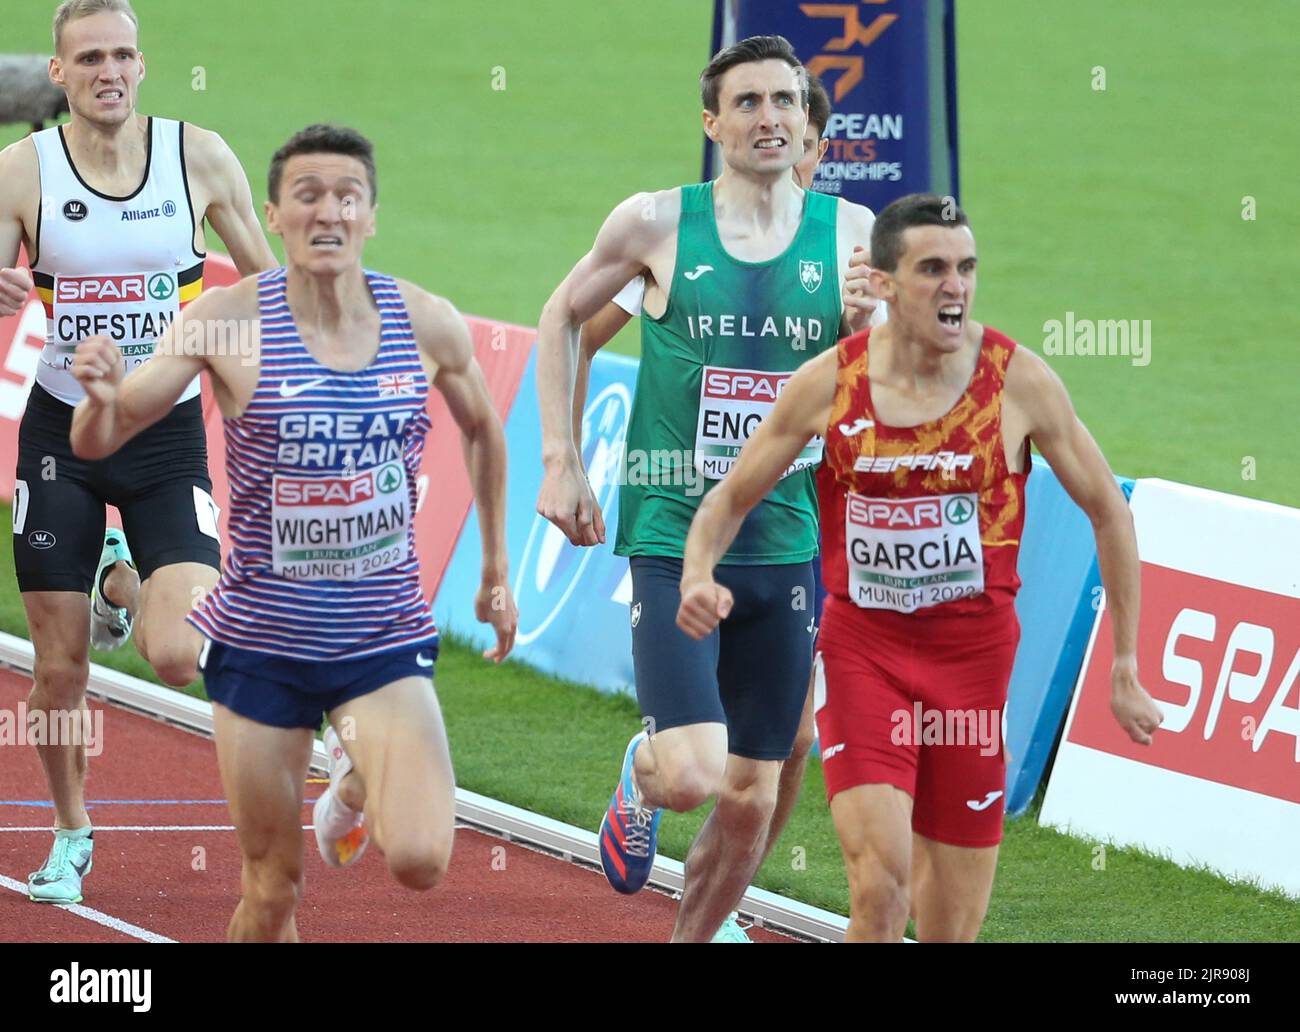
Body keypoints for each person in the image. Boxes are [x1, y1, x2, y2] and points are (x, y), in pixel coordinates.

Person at [69, 123, 518, 942]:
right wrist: (99, 399)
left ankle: (347, 790)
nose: (328, 213)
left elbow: (486, 430)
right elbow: (109, 433)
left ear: (371, 215)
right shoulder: (228, 321)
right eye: (307, 196)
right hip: (260, 647)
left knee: (420, 857)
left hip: (380, 639)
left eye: (347, 196)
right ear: (274, 214)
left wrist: (494, 566)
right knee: (272, 891)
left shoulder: (425, 322)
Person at [676, 193, 1165, 942]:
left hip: (971, 668)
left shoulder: (1016, 382)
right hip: (863, 655)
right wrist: (698, 573)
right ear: (881, 282)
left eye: (966, 268)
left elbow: (1109, 510)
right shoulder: (827, 385)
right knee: (882, 887)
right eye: (933, 268)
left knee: (950, 928)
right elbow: (728, 498)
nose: (955, 287)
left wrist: (1125, 662)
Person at [536, 36, 877, 943]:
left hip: (787, 538)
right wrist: (560, 459)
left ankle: (695, 937)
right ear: (712, 122)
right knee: (693, 774)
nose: (771, 118)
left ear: (809, 120)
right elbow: (564, 315)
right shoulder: (655, 224)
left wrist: (869, 326)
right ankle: (640, 774)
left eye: (786, 102)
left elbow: (895, 380)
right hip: (674, 527)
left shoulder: (855, 236)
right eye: (750, 102)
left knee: (759, 785)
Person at [0, 0, 277, 905]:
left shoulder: (199, 156)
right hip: (62, 436)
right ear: (59, 73)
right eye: (90, 58)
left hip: (165, 432)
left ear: (143, 65)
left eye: (123, 54)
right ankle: (73, 833)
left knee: (176, 654)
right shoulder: (21, 170)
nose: (109, 71)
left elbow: (267, 285)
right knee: (59, 668)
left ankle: (119, 578)